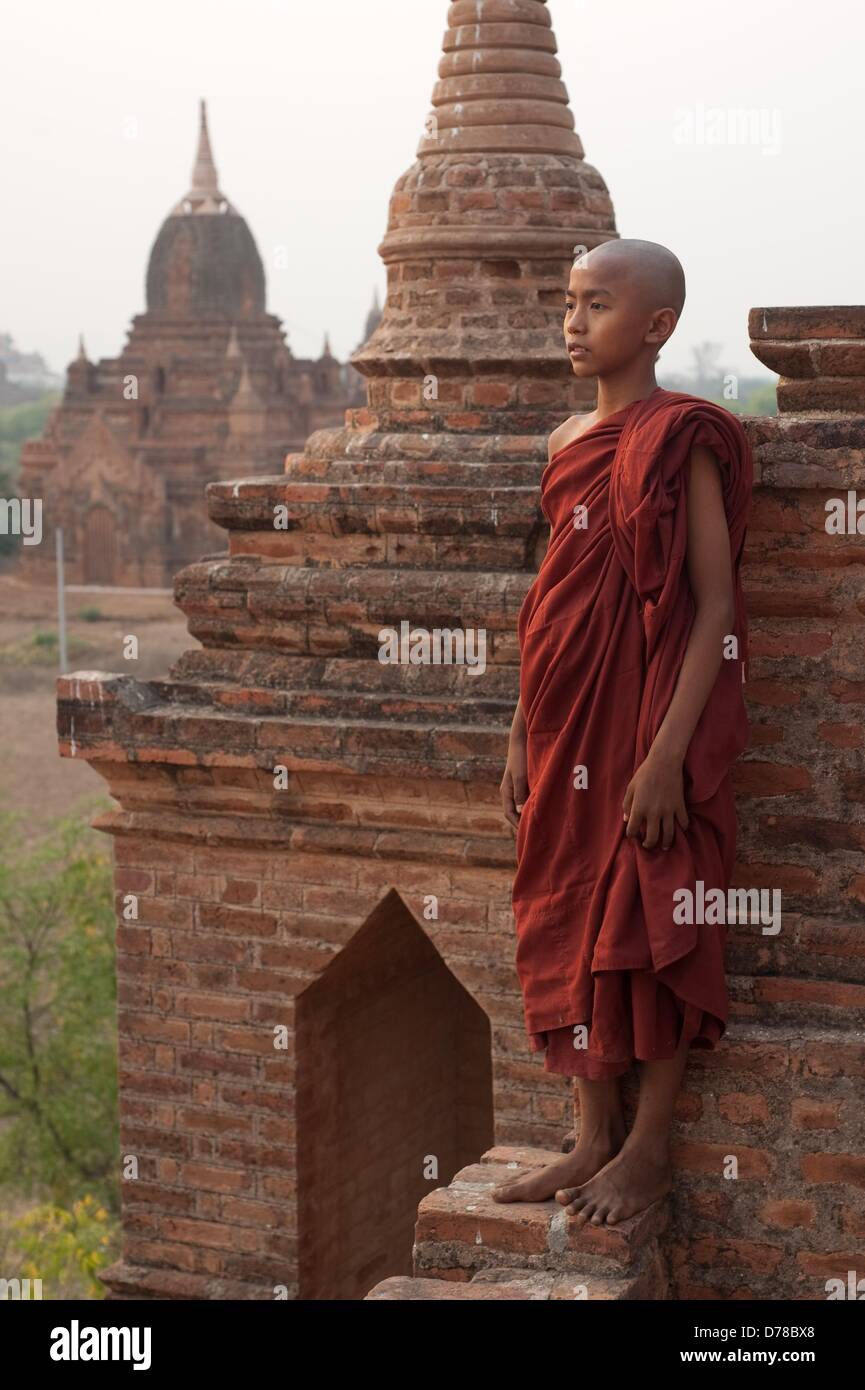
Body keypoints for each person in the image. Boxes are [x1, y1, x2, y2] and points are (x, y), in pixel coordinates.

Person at [493, 239, 753, 1227]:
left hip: (640, 721)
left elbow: (714, 602)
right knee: (560, 906)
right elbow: (547, 603)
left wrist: (663, 758)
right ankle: (587, 1135)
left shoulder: (679, 436)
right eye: (567, 302)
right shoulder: (566, 442)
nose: (571, 321)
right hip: (561, 718)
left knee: (646, 913)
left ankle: (645, 1148)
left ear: (654, 326)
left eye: (594, 305)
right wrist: (521, 725)